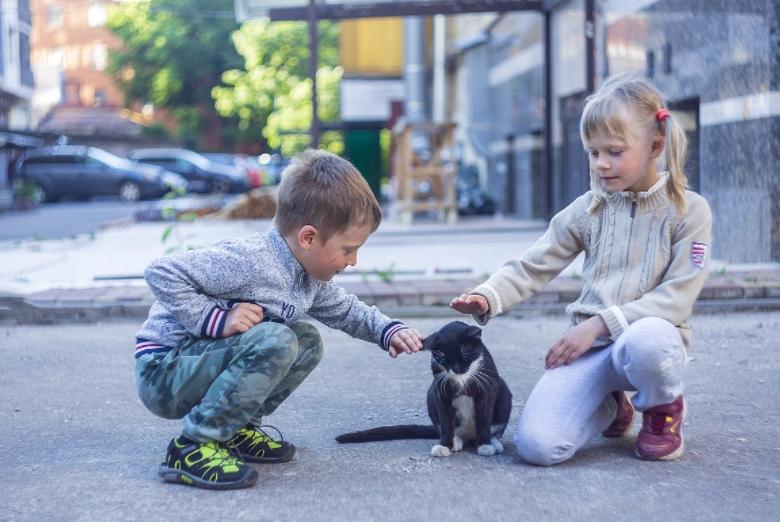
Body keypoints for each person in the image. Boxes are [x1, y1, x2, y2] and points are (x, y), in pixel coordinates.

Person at [451, 73, 712, 465]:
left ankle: (662, 410)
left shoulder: (688, 211)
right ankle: (609, 405)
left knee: (648, 341)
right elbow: (534, 264)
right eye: (593, 152)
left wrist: (598, 324)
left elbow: (677, 296)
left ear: (655, 145)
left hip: (650, 345)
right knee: (538, 446)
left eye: (615, 151)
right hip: (592, 351)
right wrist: (487, 295)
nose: (602, 164)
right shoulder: (588, 208)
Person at [134, 149, 424, 489]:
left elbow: (346, 310)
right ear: (309, 237)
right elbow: (161, 272)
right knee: (278, 339)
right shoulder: (252, 260)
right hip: (164, 371)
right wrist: (216, 319)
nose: (354, 260)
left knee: (305, 340)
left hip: (194, 365)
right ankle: (193, 446)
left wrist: (387, 330)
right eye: (348, 249)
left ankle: (235, 429)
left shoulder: (307, 278)